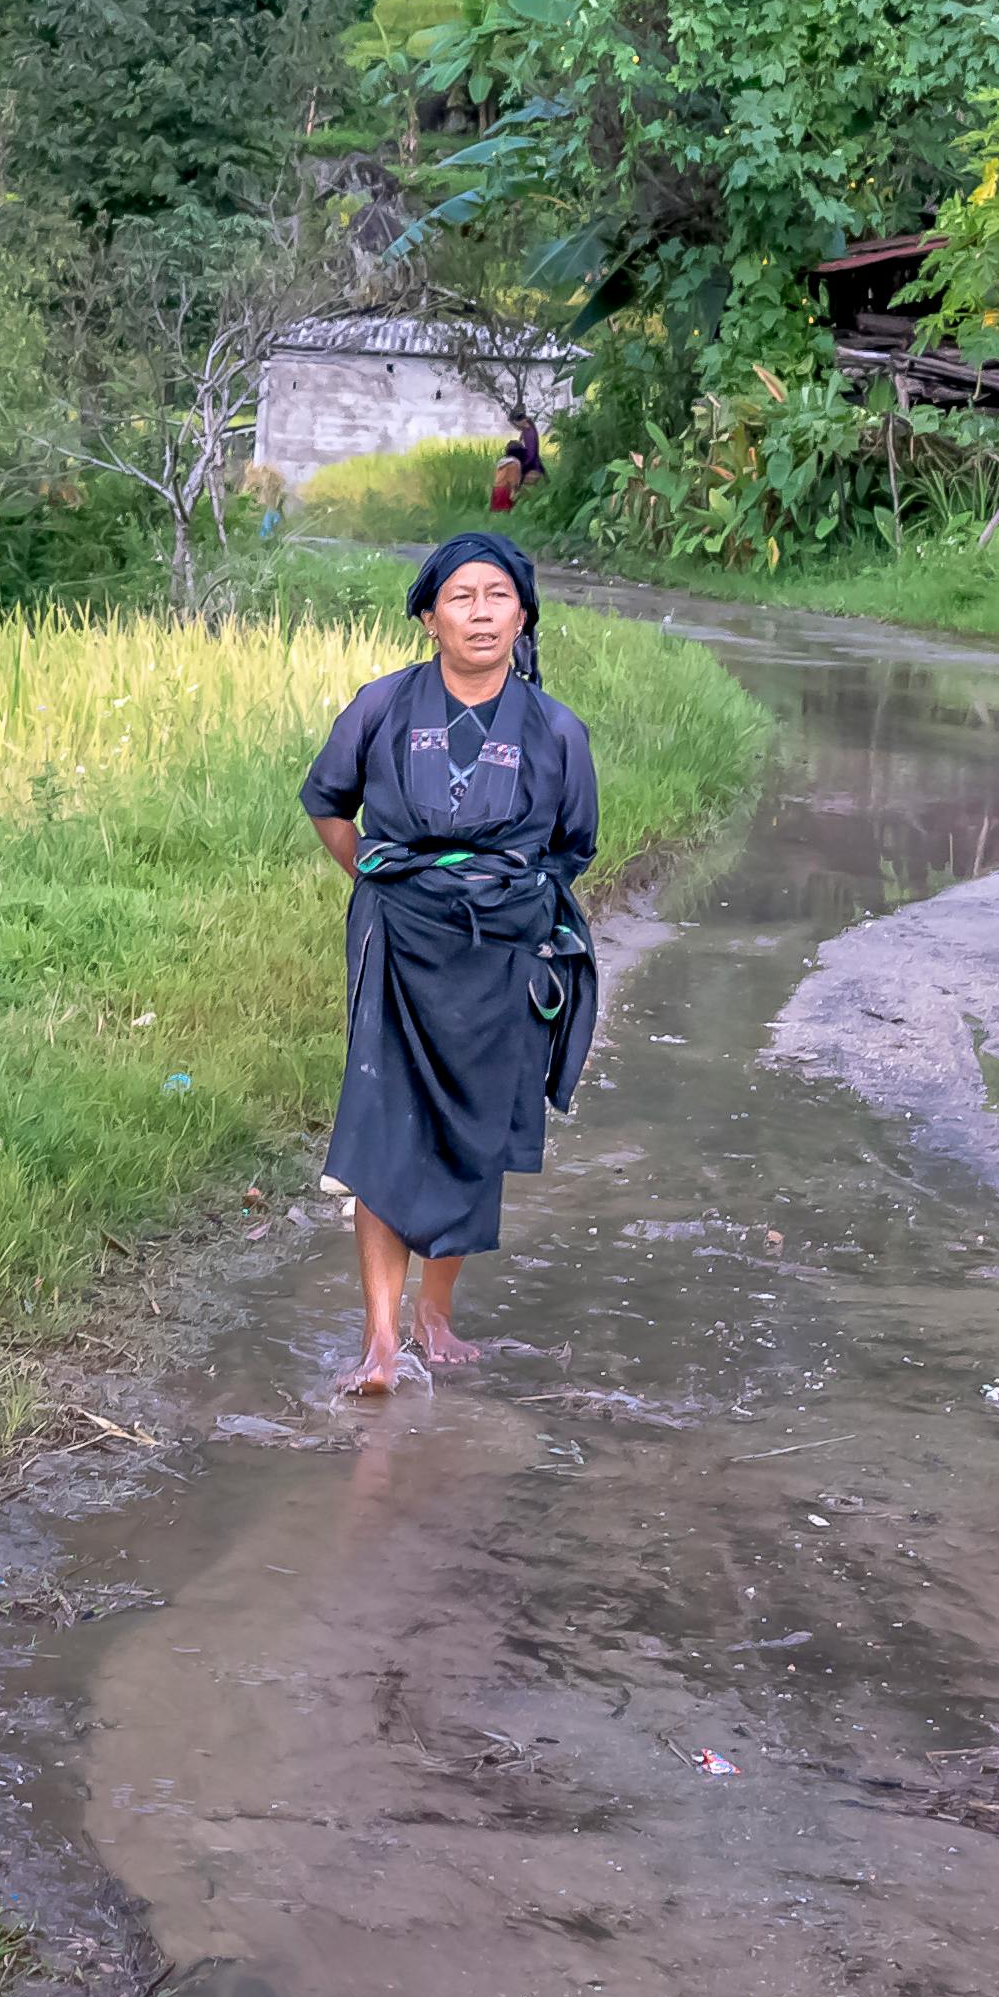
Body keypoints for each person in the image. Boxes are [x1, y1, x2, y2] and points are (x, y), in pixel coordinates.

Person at [302, 532, 600, 1398]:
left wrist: (501, 902)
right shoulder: (382, 705)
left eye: (497, 595)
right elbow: (327, 802)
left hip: (503, 953)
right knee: (380, 1125)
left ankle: (437, 1312)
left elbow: (571, 847)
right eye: (460, 597)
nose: (480, 611)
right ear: (429, 617)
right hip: (397, 939)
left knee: (473, 1130)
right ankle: (382, 1335)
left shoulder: (555, 730)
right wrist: (378, 878)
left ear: (523, 615)